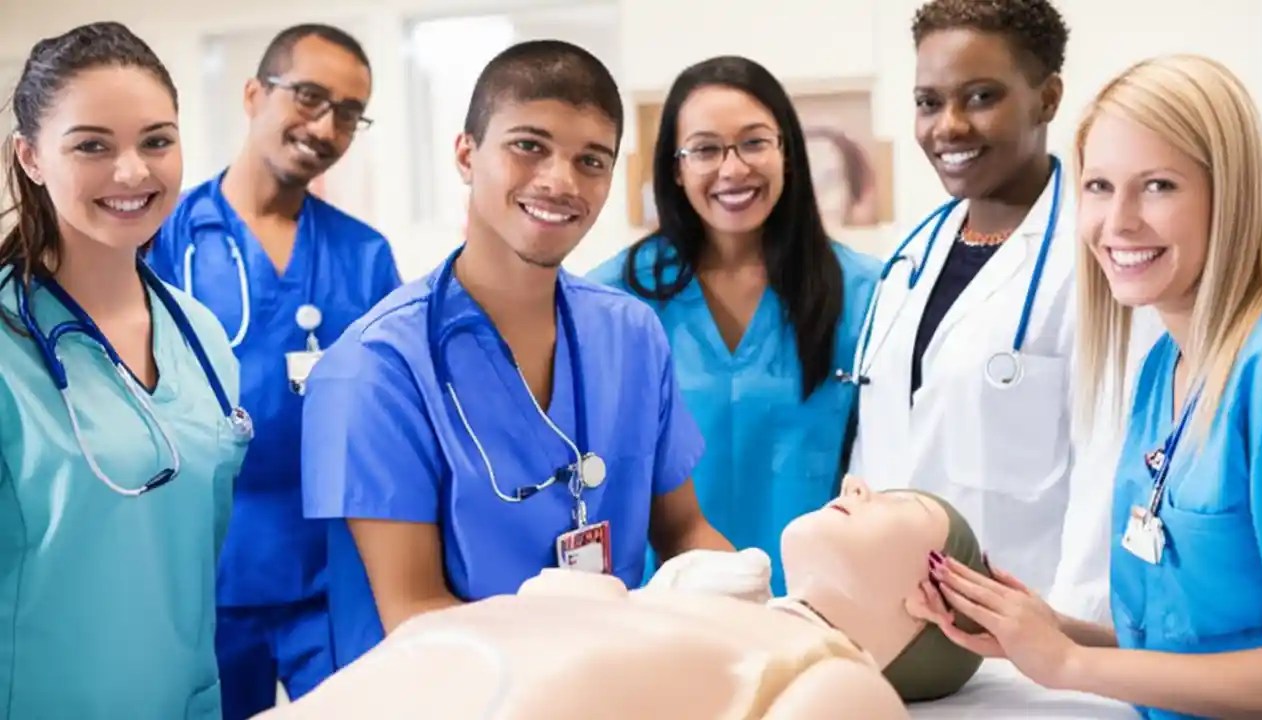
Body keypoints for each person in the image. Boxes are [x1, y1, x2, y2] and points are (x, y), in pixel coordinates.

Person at [298, 39, 735, 670]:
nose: (561, 181)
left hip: (614, 690)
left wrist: (756, 609)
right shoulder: (373, 368)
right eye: (529, 146)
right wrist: (592, 672)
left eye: (591, 160)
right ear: (466, 154)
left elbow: (684, 530)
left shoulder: (631, 335)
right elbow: (415, 613)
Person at [927, 54, 1262, 720]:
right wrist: (1041, 631)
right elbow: (1191, 647)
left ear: (1228, 195)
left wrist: (1072, 666)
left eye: (1158, 186)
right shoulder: (1164, 371)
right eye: (1098, 186)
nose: (1118, 222)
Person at [849, 0, 1155, 619]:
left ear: (1047, 98)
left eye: (981, 97)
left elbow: (1110, 475)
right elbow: (877, 456)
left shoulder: (1102, 259)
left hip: (1038, 648)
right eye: (928, 102)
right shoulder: (909, 261)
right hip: (896, 628)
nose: (949, 126)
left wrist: (1070, 642)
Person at [146, 23, 402, 717]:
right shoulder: (164, 239)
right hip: (205, 570)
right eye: (310, 97)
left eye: (349, 113)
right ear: (255, 93)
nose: (326, 126)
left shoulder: (365, 255)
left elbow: (393, 420)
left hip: (331, 567)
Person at [256, 481, 993, 719]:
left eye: (894, 497)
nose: (856, 486)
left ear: (934, 596)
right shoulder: (700, 606)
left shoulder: (843, 683)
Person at [0, 22, 250, 719]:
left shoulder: (199, 336)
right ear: (31, 158)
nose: (133, 172)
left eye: (156, 140)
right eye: (92, 146)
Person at [589, 56, 880, 596]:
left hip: (822, 609)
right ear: (675, 168)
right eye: (704, 149)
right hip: (665, 610)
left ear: (786, 152)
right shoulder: (612, 301)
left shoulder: (868, 294)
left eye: (753, 142)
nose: (732, 169)